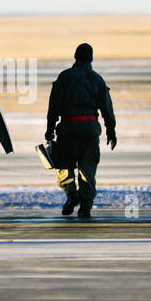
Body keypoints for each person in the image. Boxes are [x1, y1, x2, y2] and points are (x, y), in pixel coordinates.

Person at [45, 42, 117, 219]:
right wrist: (111, 131)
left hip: (67, 132)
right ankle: (85, 207)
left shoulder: (64, 78)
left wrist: (49, 130)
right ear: (91, 58)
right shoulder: (97, 80)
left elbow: (53, 107)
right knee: (87, 171)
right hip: (89, 133)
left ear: (75, 56)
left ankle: (72, 195)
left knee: (63, 168)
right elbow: (107, 108)